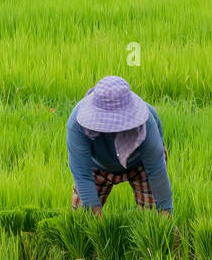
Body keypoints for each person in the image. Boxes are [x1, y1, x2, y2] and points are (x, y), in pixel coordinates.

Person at [67, 76, 172, 218]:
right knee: (82, 220)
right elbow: (82, 174)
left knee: (152, 221)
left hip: (140, 165)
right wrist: (100, 228)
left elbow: (156, 170)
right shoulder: (76, 124)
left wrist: (166, 219)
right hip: (97, 166)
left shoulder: (146, 122)